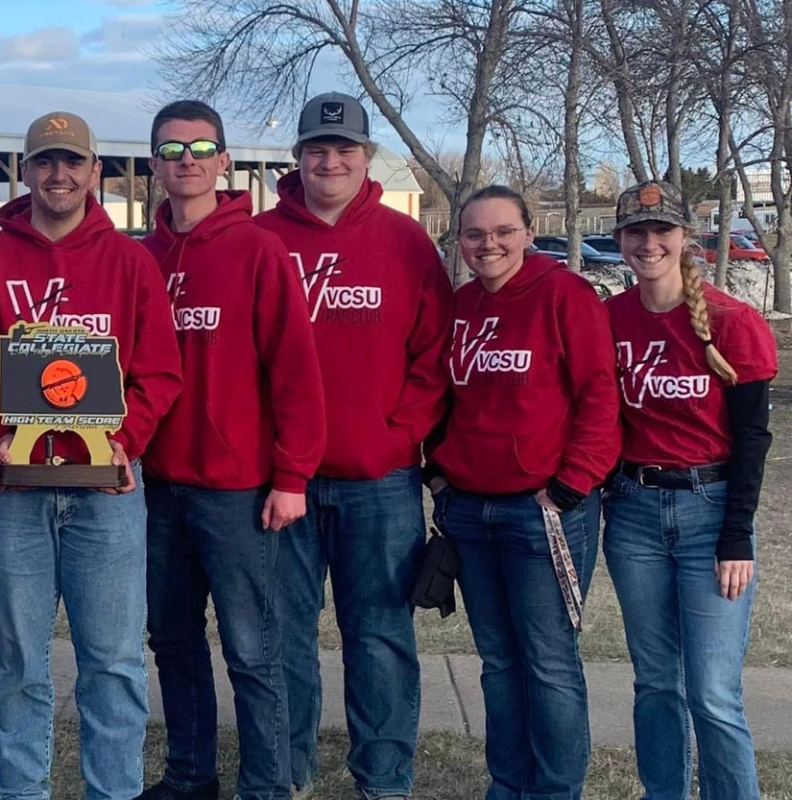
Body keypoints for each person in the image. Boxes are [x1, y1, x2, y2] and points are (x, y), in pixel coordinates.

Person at [0, 111, 182, 800]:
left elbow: (160, 374)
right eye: (45, 161)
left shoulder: (131, 263)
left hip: (106, 493)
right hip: (12, 491)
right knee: (15, 659)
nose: (59, 174)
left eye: (72, 161)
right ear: (26, 171)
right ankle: (20, 789)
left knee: (114, 661)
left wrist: (124, 444)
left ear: (94, 172)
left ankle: (115, 790)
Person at [253, 92, 452, 800]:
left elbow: (434, 355)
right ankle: (288, 772)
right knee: (282, 639)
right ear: (297, 157)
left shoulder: (404, 242)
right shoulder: (261, 238)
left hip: (380, 481)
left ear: (367, 158)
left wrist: (398, 433)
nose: (329, 161)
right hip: (282, 484)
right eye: (316, 149)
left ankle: (384, 779)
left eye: (343, 149)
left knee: (380, 638)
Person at [136, 100, 325, 800]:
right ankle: (190, 775)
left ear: (223, 162)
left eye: (201, 147)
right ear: (154, 166)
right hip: (154, 487)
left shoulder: (258, 250)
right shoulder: (141, 258)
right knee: (174, 643)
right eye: (172, 149)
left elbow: (296, 372)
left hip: (237, 489)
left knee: (251, 648)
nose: (186, 160)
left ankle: (267, 784)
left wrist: (292, 475)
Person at [426, 185, 620, 800]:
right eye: (475, 234)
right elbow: (434, 394)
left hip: (543, 510)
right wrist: (435, 470)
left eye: (504, 231)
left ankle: (555, 790)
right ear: (459, 241)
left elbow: (598, 396)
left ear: (529, 231)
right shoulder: (457, 307)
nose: (490, 245)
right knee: (499, 663)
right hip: (469, 509)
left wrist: (569, 486)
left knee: (549, 663)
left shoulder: (564, 295)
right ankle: (506, 785)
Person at [603, 181, 777, 800]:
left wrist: (736, 536)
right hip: (633, 516)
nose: (649, 244)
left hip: (711, 515)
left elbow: (753, 439)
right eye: (636, 233)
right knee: (656, 682)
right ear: (621, 240)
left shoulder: (733, 322)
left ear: (685, 240)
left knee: (711, 691)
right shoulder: (611, 320)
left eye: (662, 232)